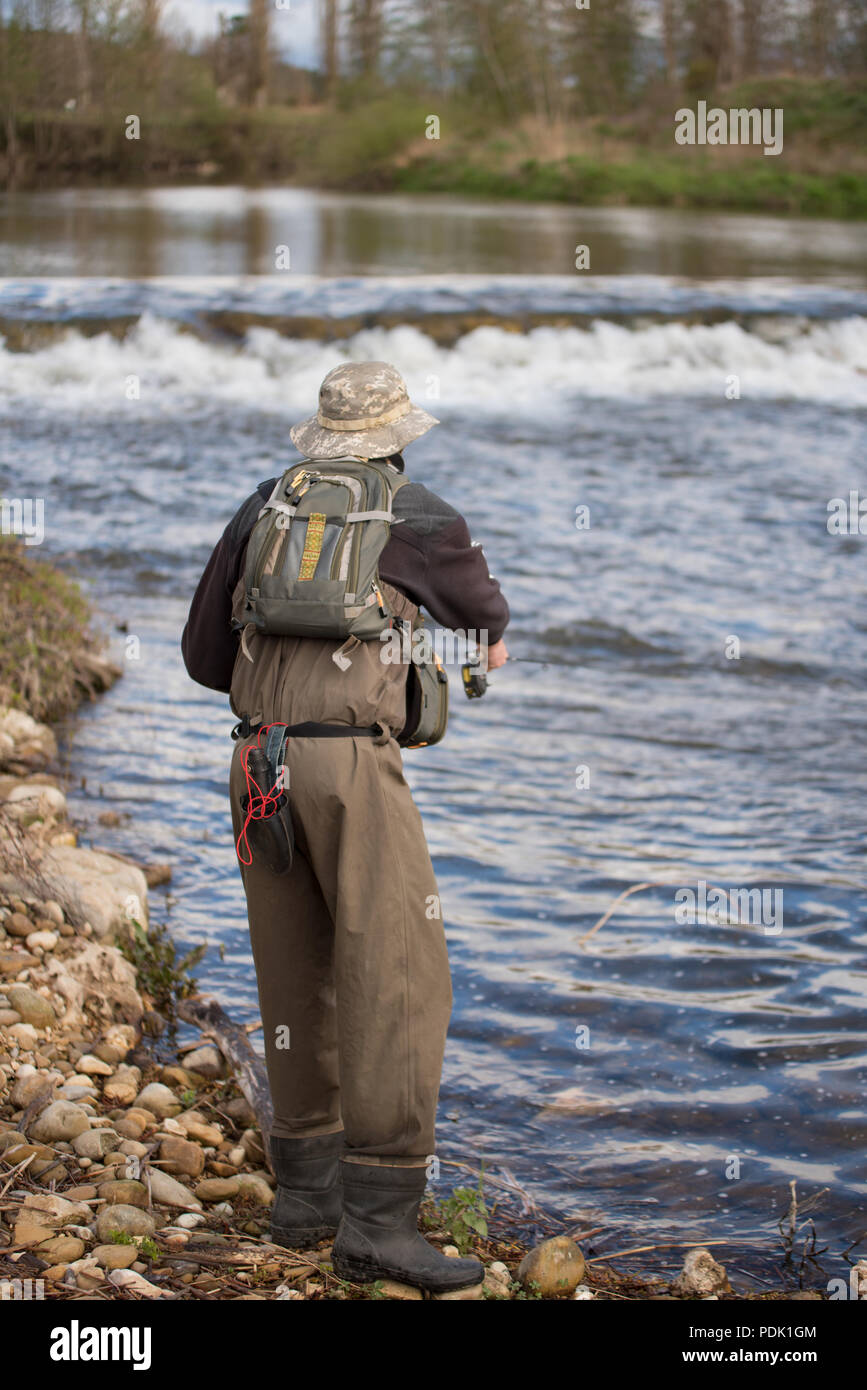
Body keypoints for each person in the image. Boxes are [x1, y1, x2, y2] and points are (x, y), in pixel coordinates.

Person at [182, 361, 509, 1293]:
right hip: (349, 767)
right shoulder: (417, 512)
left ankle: (304, 1201)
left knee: (295, 972)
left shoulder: (260, 506)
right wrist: (484, 635)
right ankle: (377, 1226)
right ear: (399, 435)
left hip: (255, 766)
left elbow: (203, 657)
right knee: (400, 974)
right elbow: (482, 606)